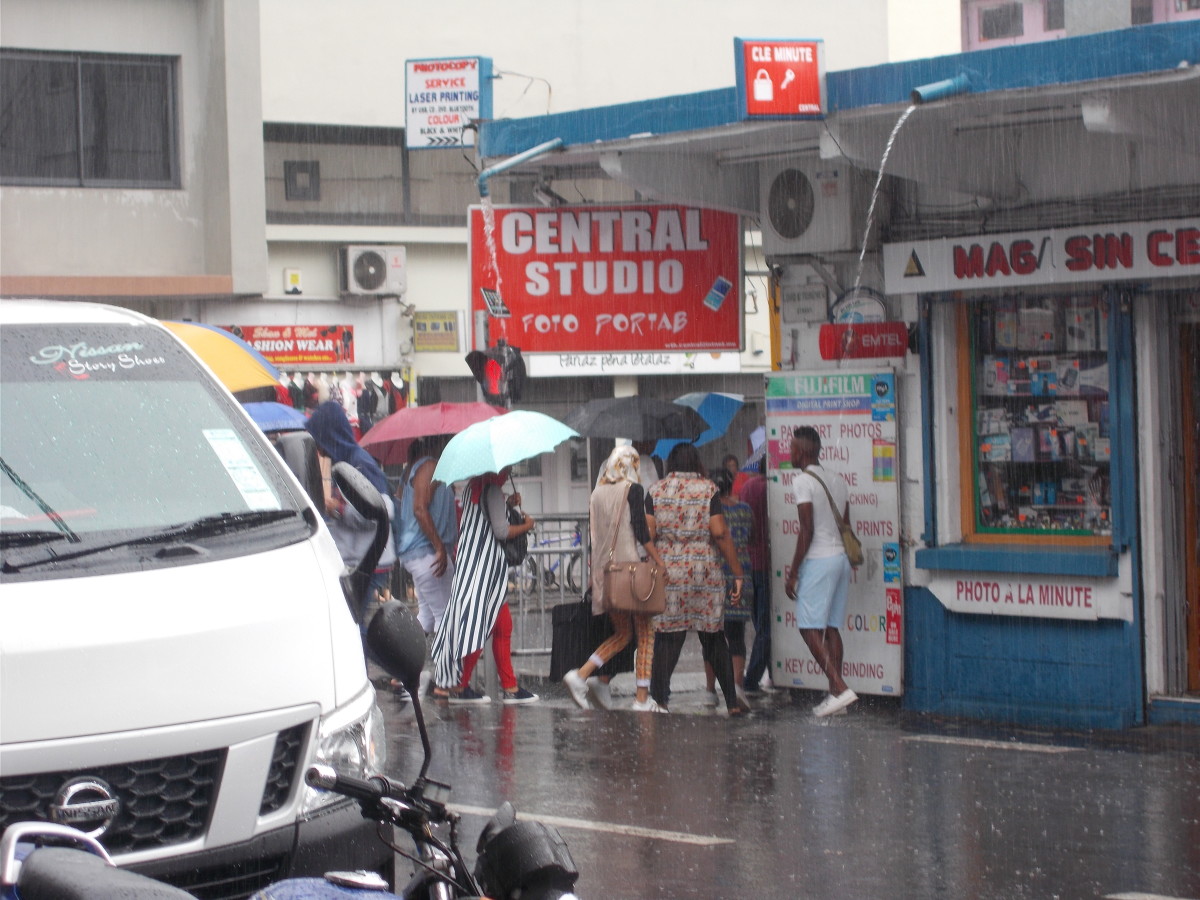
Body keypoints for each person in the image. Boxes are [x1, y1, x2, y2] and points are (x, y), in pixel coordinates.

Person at [563, 445, 667, 712]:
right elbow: (642, 532)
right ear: (629, 465)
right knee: (646, 634)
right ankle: (642, 699)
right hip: (630, 573)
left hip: (606, 575)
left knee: (623, 633)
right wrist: (658, 561)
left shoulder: (597, 493)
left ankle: (581, 674)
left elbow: (595, 537)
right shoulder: (632, 489)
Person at [648, 443, 747, 715]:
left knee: (668, 638)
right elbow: (719, 532)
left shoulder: (656, 491)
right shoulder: (708, 489)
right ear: (696, 462)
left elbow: (648, 532)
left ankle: (660, 702)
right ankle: (731, 702)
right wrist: (737, 572)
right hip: (705, 573)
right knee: (713, 637)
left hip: (669, 573)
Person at [431, 468, 539, 704]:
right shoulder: (491, 489)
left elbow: (485, 516)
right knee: (480, 625)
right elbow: (502, 531)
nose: (509, 470)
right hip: (485, 568)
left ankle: (505, 686)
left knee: (496, 625)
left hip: (472, 564)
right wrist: (527, 526)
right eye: (508, 468)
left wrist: (506, 502)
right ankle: (463, 686)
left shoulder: (475, 486)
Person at [305, 401, 396, 661]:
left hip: (367, 560)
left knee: (351, 625)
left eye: (318, 438)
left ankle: (391, 665)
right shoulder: (347, 460)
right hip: (361, 558)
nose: (318, 447)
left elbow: (382, 509)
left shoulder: (358, 463)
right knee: (350, 623)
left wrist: (338, 509)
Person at [783, 425, 858, 717]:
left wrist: (793, 572)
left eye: (791, 448)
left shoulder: (803, 481)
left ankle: (839, 688)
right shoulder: (837, 481)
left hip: (819, 559)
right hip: (840, 558)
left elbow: (807, 530)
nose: (789, 452)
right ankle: (834, 696)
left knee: (808, 627)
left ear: (801, 452)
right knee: (830, 627)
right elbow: (846, 525)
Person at [395, 436, 457, 637]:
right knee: (446, 617)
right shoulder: (430, 466)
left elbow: (401, 501)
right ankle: (448, 668)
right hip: (428, 552)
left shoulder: (410, 471)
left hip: (416, 553)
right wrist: (439, 547)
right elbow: (420, 509)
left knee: (428, 617)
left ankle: (409, 666)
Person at [703, 469, 754, 709]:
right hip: (740, 573)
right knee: (736, 635)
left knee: (712, 635)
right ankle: (737, 687)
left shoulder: (710, 513)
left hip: (715, 575)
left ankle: (711, 690)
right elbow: (750, 538)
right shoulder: (744, 510)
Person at [740, 456, 774, 695]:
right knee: (766, 626)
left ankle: (771, 673)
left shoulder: (746, 487)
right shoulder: (771, 490)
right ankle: (752, 679)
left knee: (758, 622)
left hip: (747, 561)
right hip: (766, 561)